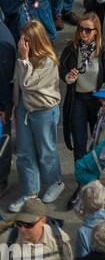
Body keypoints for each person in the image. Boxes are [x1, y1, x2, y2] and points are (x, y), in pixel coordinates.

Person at [9, 20, 63, 212]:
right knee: (24, 153)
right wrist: (15, 107)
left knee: (46, 151)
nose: (22, 42)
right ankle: (30, 192)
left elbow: (28, 84)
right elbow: (17, 85)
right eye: (22, 38)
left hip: (44, 111)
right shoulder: (23, 56)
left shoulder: (48, 60)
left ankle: (55, 182)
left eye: (26, 39)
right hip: (24, 109)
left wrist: (23, 59)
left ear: (36, 41)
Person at [59, 12, 105, 161]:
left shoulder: (104, 49)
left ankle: (98, 179)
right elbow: (62, 69)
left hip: (98, 100)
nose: (83, 33)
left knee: (99, 143)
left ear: (96, 31)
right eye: (81, 29)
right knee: (79, 143)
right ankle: (81, 181)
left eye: (88, 30)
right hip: (78, 99)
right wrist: (68, 77)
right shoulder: (72, 48)